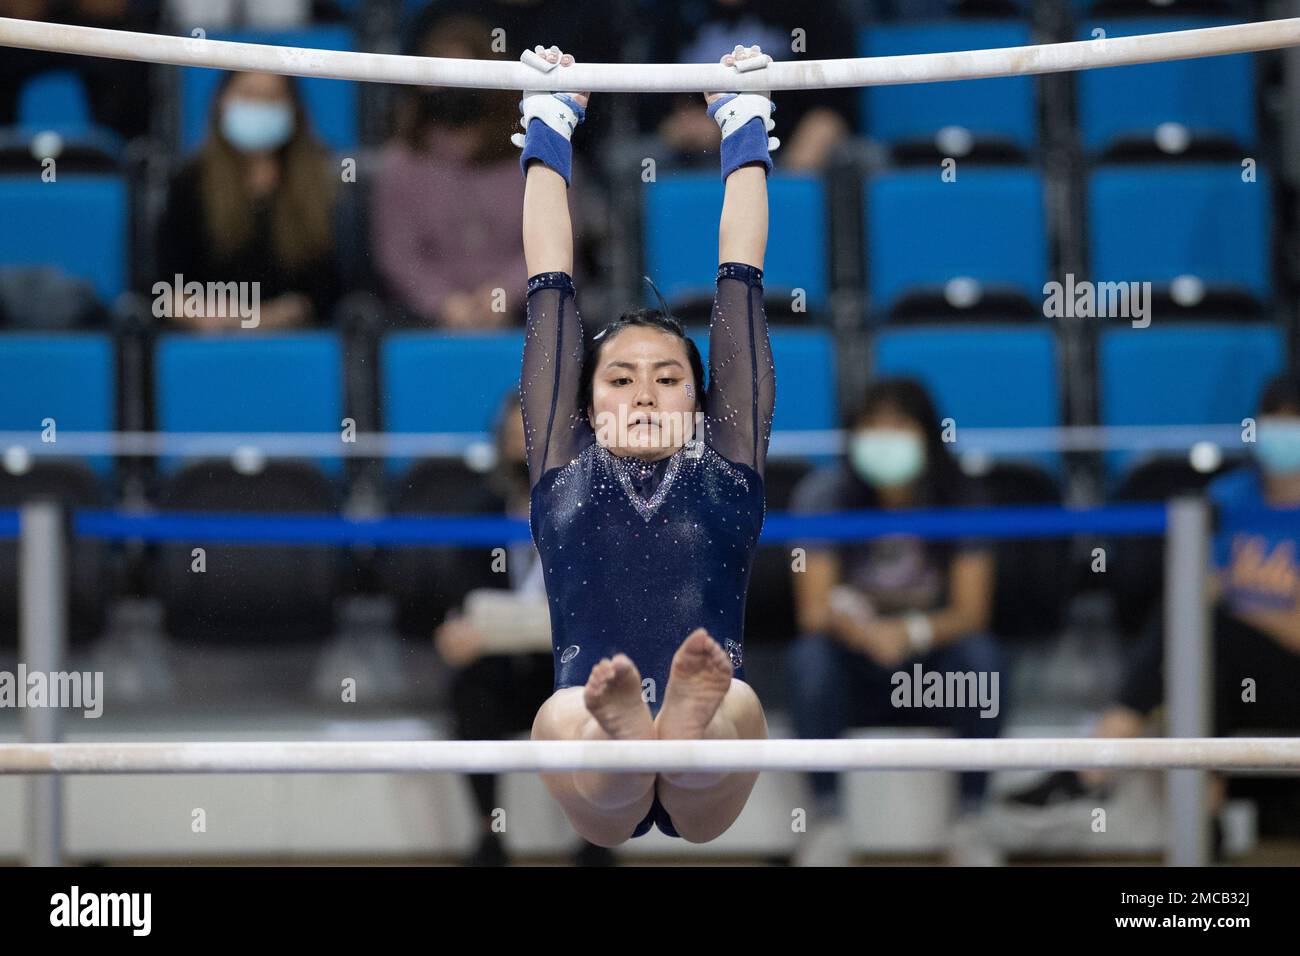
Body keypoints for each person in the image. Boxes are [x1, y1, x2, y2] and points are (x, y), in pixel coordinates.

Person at [518, 43, 777, 845]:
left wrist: (744, 124)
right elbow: (549, 281)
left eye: (668, 379)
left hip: (713, 739)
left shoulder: (726, 464)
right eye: (619, 379)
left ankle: (678, 731)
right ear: (583, 407)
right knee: (565, 715)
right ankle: (635, 739)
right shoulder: (565, 467)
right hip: (594, 730)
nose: (642, 394)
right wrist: (547, 124)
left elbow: (741, 276)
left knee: (731, 706)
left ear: (704, 406)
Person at [1009, 374, 1300, 838]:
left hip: (1286, 676)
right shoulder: (1228, 496)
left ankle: (1099, 759)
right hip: (1227, 667)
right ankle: (1204, 818)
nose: (1285, 435)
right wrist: (1247, 607)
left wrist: (1238, 605)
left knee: (1207, 631)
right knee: (1197, 635)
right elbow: (1196, 591)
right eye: (1276, 422)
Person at [787, 377, 1002, 865]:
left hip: (933, 665)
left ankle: (972, 818)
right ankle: (828, 818)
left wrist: (912, 632)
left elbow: (972, 612)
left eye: (898, 425)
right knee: (809, 659)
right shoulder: (825, 494)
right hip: (855, 663)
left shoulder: (962, 496)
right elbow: (814, 610)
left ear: (926, 433)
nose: (885, 437)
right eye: (873, 426)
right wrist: (868, 633)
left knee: (983, 657)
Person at [433, 390, 613, 865]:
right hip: (501, 671)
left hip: (565, 672)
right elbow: (464, 604)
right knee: (470, 689)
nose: (524, 453)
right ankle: (489, 834)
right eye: (515, 441)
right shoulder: (478, 513)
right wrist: (459, 631)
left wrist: (509, 625)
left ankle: (597, 836)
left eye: (533, 441)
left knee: (600, 687)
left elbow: (596, 613)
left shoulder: (591, 511)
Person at [371, 13, 530, 328]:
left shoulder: (533, 155)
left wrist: (502, 297)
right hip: (427, 319)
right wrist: (445, 303)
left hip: (526, 312)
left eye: (461, 74)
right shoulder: (400, 163)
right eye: (439, 78)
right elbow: (399, 256)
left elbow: (554, 245)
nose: (449, 89)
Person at [155, 70, 341, 331]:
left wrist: (267, 317)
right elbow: (164, 287)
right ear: (222, 102)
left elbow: (332, 287)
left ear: (293, 110)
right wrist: (202, 314)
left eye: (271, 97)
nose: (258, 106)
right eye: (248, 95)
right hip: (208, 342)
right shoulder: (188, 182)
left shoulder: (323, 181)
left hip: (295, 341)